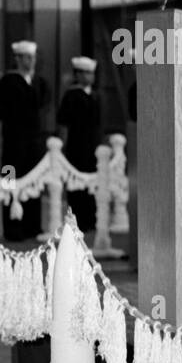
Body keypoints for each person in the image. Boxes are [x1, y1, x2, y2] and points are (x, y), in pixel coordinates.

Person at [0, 39, 50, 241]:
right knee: (10, 183)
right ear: (18, 59)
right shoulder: (7, 82)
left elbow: (44, 106)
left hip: (34, 144)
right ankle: (12, 229)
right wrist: (13, 115)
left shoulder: (39, 82)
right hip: (13, 144)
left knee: (34, 183)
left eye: (33, 57)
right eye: (27, 57)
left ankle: (33, 226)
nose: (31, 61)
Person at [57, 56, 102, 232]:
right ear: (78, 74)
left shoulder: (95, 95)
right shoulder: (71, 95)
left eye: (92, 73)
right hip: (76, 147)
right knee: (76, 187)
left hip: (93, 147)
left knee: (91, 186)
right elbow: (63, 124)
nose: (91, 77)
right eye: (87, 73)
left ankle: (90, 220)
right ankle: (76, 221)